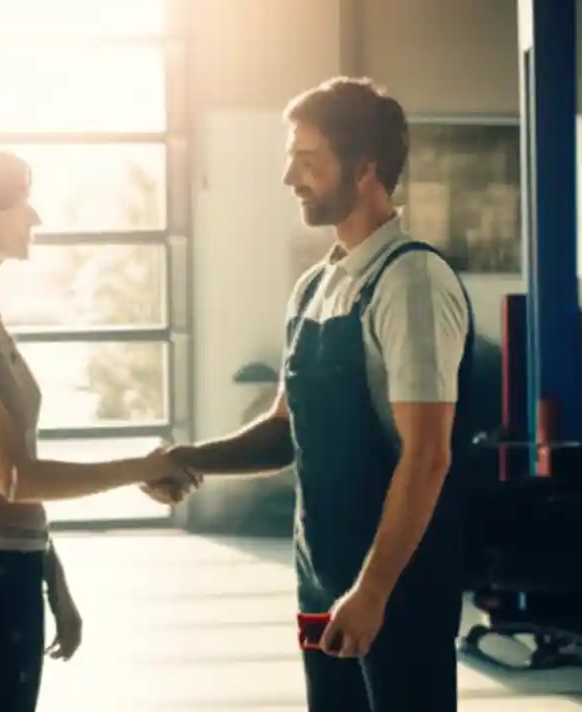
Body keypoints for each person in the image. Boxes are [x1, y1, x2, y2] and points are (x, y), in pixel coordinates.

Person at [151, 78, 474, 711]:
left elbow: (428, 455)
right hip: (322, 576)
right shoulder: (315, 285)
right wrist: (191, 459)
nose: (288, 176)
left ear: (365, 170)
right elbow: (284, 431)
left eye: (308, 158)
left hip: (394, 586)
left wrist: (374, 589)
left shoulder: (411, 282)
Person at [0, 144, 199, 712]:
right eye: (18, 202)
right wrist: (144, 468)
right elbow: (12, 476)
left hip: (6, 569)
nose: (35, 217)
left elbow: (9, 471)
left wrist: (49, 573)